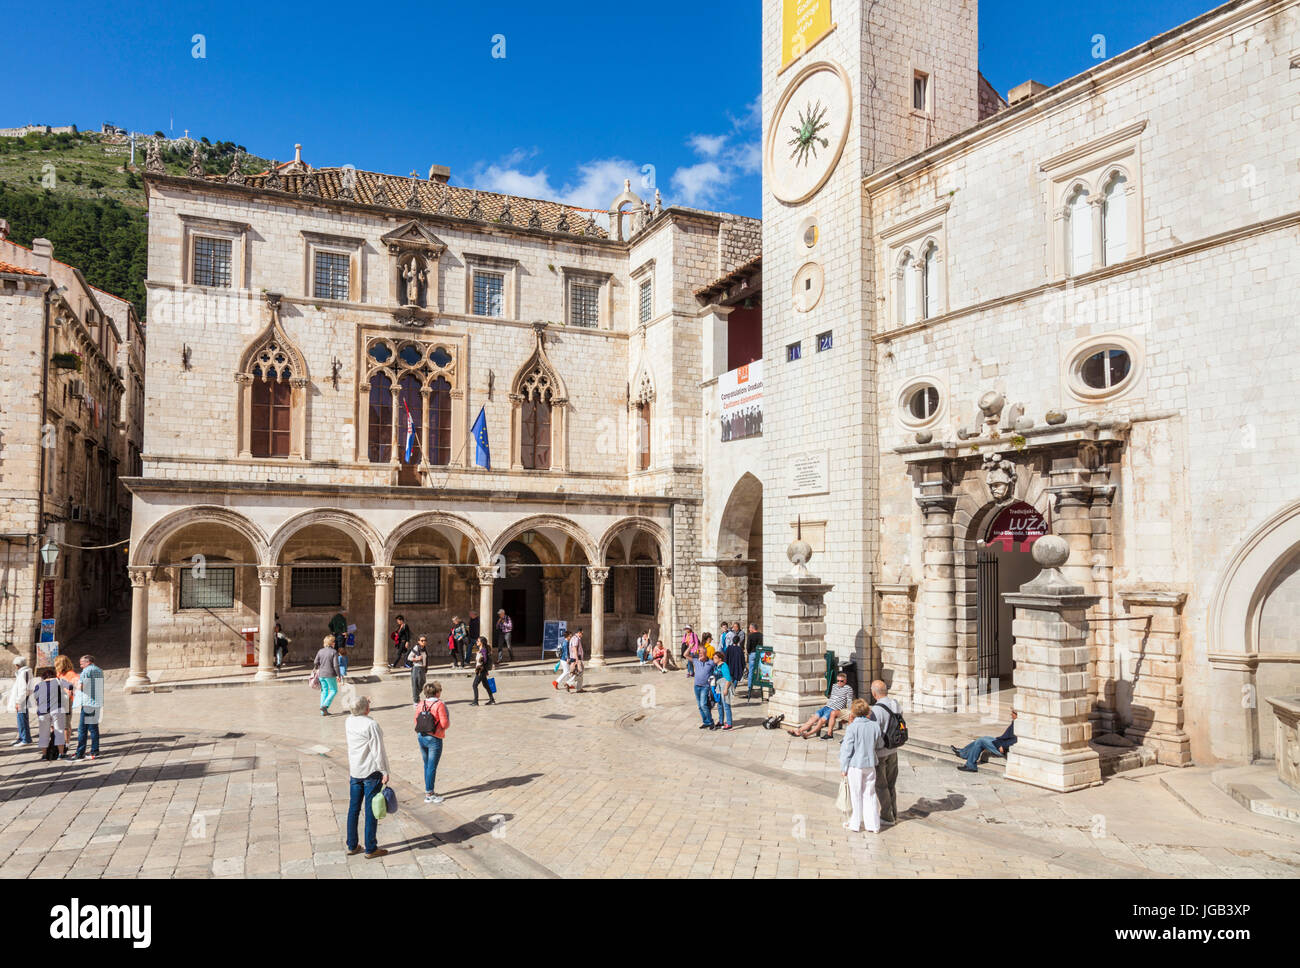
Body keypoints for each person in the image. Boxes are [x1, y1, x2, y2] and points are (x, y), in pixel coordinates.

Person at [344, 695, 390, 859]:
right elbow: (378, 750)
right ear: (366, 709)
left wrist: (364, 703)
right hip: (371, 771)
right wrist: (385, 771)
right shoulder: (371, 724)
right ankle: (370, 847)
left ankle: (352, 844)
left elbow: (356, 710)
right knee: (371, 809)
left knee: (354, 808)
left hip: (355, 770)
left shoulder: (349, 721)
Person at [839, 698, 884, 833]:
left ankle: (855, 824)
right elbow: (880, 744)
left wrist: (843, 767)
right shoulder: (875, 726)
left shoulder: (852, 727)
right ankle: (873, 825)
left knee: (856, 795)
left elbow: (847, 749)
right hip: (870, 764)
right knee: (870, 794)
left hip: (855, 765)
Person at [869, 680, 902, 824]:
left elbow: (875, 733)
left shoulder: (876, 710)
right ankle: (893, 813)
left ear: (874, 693)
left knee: (881, 785)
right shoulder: (896, 704)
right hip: (893, 749)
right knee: (891, 784)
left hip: (881, 752)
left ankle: (886, 816)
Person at [791, 671, 854, 739]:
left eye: (841, 681)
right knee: (813, 718)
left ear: (845, 681)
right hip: (826, 707)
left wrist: (849, 712)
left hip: (834, 709)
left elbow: (849, 701)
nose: (839, 682)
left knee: (821, 721)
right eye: (838, 680)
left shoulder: (848, 688)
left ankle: (808, 734)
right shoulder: (834, 686)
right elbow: (832, 697)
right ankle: (799, 731)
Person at [414, 681, 449, 803]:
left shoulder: (421, 703)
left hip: (421, 736)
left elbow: (416, 720)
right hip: (434, 738)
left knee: (426, 765)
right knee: (432, 766)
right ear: (436, 692)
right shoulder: (439, 704)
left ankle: (428, 790)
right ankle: (429, 793)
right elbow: (445, 724)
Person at [952, 711, 1018, 772]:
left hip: (1004, 748)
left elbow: (1016, 740)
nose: (1011, 714)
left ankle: (970, 765)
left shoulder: (1019, 725)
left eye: (1013, 712)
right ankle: (963, 753)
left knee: (980, 741)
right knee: (984, 738)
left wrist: (1003, 746)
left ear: (1017, 715)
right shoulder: (1015, 722)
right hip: (1001, 743)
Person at [32, 667, 66, 761]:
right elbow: (70, 686)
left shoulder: (38, 685)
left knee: (43, 733)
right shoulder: (58, 681)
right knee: (59, 731)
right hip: (57, 709)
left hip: (43, 711)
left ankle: (44, 755)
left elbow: (35, 697)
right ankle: (61, 754)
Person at [74, 655, 103, 760]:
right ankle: (94, 750)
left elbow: (82, 687)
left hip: (88, 703)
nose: (80, 665)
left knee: (82, 729)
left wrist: (76, 684)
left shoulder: (87, 671)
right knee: (93, 728)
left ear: (88, 662)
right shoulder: (98, 670)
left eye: (82, 663)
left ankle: (81, 752)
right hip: (96, 702)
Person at [314, 635, 341, 716]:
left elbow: (315, 662)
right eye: (334, 641)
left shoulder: (320, 651)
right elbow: (336, 665)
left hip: (321, 674)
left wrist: (318, 667)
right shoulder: (334, 652)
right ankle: (325, 706)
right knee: (333, 690)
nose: (335, 643)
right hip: (330, 674)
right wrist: (338, 675)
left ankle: (323, 712)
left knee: (324, 691)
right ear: (331, 643)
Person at [8, 656, 33, 747]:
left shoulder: (24, 673)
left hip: (22, 700)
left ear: (18, 665)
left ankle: (25, 738)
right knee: (21, 719)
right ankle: (22, 737)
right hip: (22, 699)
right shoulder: (23, 672)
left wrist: (18, 701)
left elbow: (23, 689)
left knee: (22, 719)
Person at [692, 650, 717, 729]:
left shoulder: (711, 662)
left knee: (703, 704)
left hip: (705, 686)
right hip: (696, 686)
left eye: (701, 654)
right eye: (699, 654)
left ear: (706, 654)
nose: (700, 655)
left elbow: (716, 671)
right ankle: (706, 722)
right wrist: (690, 647)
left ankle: (711, 721)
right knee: (700, 706)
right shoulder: (696, 661)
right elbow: (685, 654)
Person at [712, 649, 734, 730]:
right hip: (719, 686)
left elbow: (728, 678)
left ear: (720, 659)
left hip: (725, 685)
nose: (713, 659)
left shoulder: (724, 665)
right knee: (719, 705)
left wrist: (726, 689)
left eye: (715, 658)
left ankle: (729, 723)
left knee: (726, 705)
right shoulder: (716, 666)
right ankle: (721, 721)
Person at [470, 637, 496, 705]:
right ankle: (492, 700)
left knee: (474, 685)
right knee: (486, 685)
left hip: (481, 670)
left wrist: (483, 668)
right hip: (482, 670)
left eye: (478, 641)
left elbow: (485, 660)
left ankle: (475, 701)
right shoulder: (481, 649)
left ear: (481, 642)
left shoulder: (483, 650)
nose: (476, 642)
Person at [723, 633, 745, 702]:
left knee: (730, 679)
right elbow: (742, 660)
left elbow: (725, 658)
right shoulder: (739, 649)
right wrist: (743, 667)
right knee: (735, 679)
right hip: (737, 667)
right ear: (738, 641)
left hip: (730, 667)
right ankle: (732, 690)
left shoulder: (729, 648)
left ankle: (729, 690)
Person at [408, 635, 429, 704]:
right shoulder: (416, 648)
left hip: (422, 668)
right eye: (422, 640)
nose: (423, 642)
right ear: (418, 641)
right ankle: (416, 700)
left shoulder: (424, 648)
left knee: (422, 682)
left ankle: (415, 695)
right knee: (415, 684)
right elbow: (409, 657)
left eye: (424, 640)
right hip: (417, 668)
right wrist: (417, 659)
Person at [745, 623, 763, 696]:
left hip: (752, 654)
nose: (749, 629)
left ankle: (749, 689)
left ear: (752, 628)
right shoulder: (761, 635)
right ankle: (762, 688)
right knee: (760, 671)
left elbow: (748, 646)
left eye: (749, 628)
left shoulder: (750, 636)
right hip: (760, 653)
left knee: (751, 672)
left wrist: (749, 652)